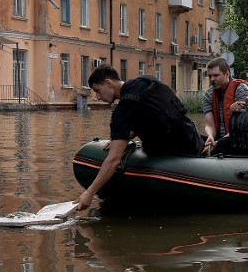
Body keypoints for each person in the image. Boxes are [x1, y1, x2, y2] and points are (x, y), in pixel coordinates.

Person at [75, 65, 204, 210]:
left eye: (97, 90)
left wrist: (90, 192)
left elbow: (114, 159)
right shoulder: (148, 82)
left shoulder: (122, 111)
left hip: (176, 156)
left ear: (108, 83)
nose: (98, 97)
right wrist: (123, 137)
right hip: (193, 141)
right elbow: (152, 115)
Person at [201, 57, 248, 155]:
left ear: (227, 74)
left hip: (237, 138)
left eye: (216, 75)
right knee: (196, 137)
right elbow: (209, 124)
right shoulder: (208, 94)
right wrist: (210, 136)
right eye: (210, 76)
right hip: (218, 139)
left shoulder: (241, 90)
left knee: (223, 143)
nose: (212, 79)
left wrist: (219, 142)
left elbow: (242, 125)